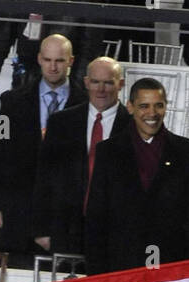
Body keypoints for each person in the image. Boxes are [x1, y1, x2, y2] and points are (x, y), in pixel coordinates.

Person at [84, 78, 189, 276]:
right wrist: (97, 275)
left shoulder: (187, 153)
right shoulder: (108, 152)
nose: (152, 113)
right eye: (144, 106)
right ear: (130, 107)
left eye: (159, 105)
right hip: (120, 268)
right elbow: (97, 217)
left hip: (171, 269)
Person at [0, 33, 84, 256]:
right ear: (39, 59)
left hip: (64, 214)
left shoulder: (86, 104)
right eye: (48, 60)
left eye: (59, 61)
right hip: (19, 210)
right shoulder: (11, 102)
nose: (53, 67)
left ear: (71, 61)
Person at [32, 56, 129, 256]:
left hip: (116, 237)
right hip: (65, 232)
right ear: (86, 83)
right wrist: (41, 229)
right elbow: (44, 178)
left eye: (108, 82)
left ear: (120, 84)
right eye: (95, 82)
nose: (101, 89)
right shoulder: (61, 122)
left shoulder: (134, 128)